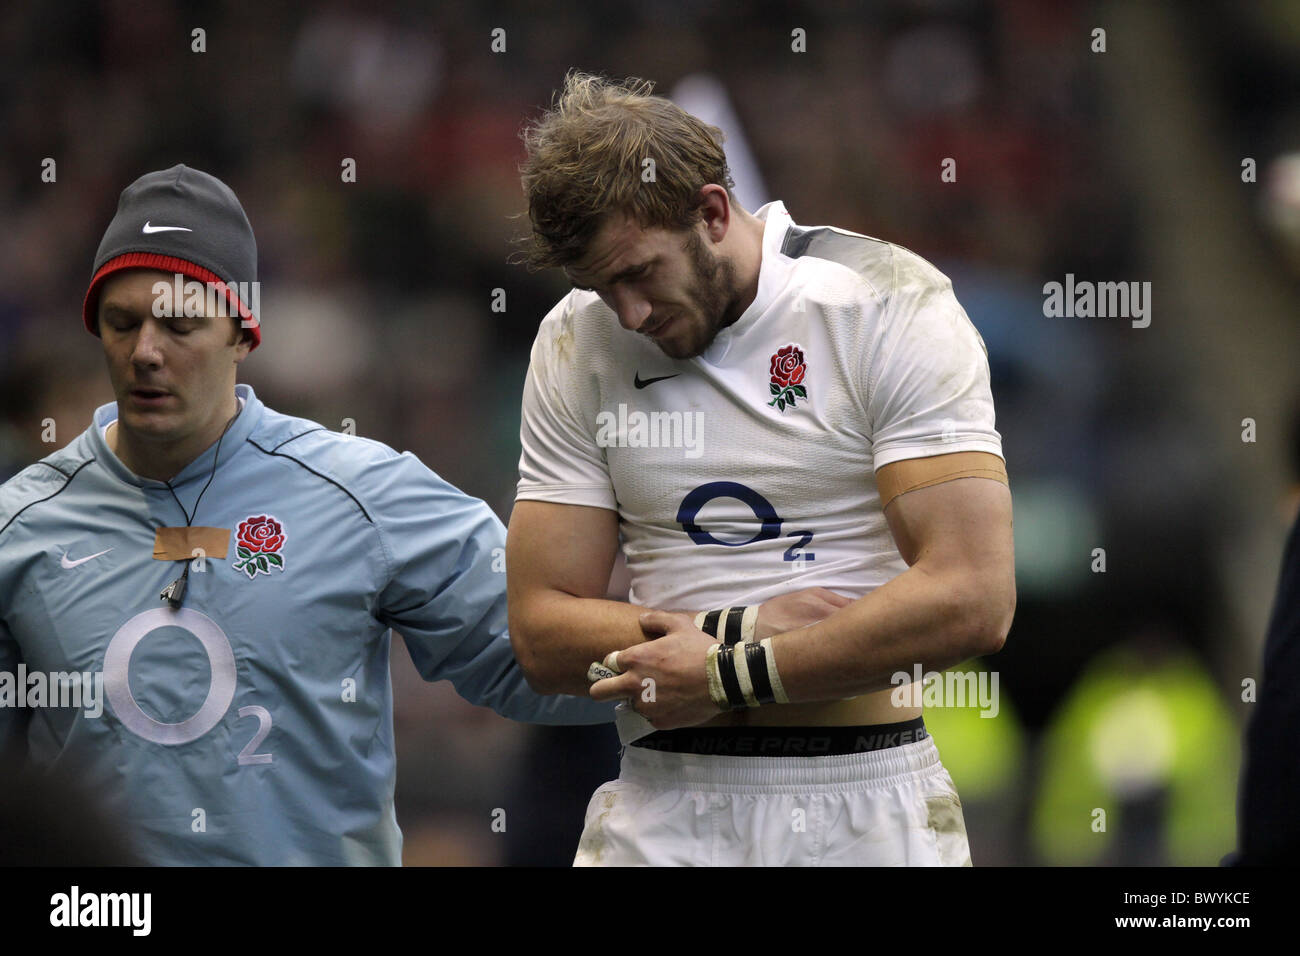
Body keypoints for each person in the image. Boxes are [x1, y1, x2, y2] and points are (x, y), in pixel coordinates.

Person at [0, 164, 614, 866]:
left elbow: (540, 651)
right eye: (122, 322)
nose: (146, 351)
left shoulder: (364, 494)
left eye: (179, 323)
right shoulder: (21, 526)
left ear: (243, 334)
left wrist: (724, 661)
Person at [507, 73, 1015, 866]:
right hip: (663, 800)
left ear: (712, 213)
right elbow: (540, 631)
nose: (628, 313)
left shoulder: (888, 303)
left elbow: (973, 598)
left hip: (863, 804)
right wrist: (737, 632)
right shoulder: (575, 341)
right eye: (599, 288)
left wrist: (729, 675)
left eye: (639, 272)